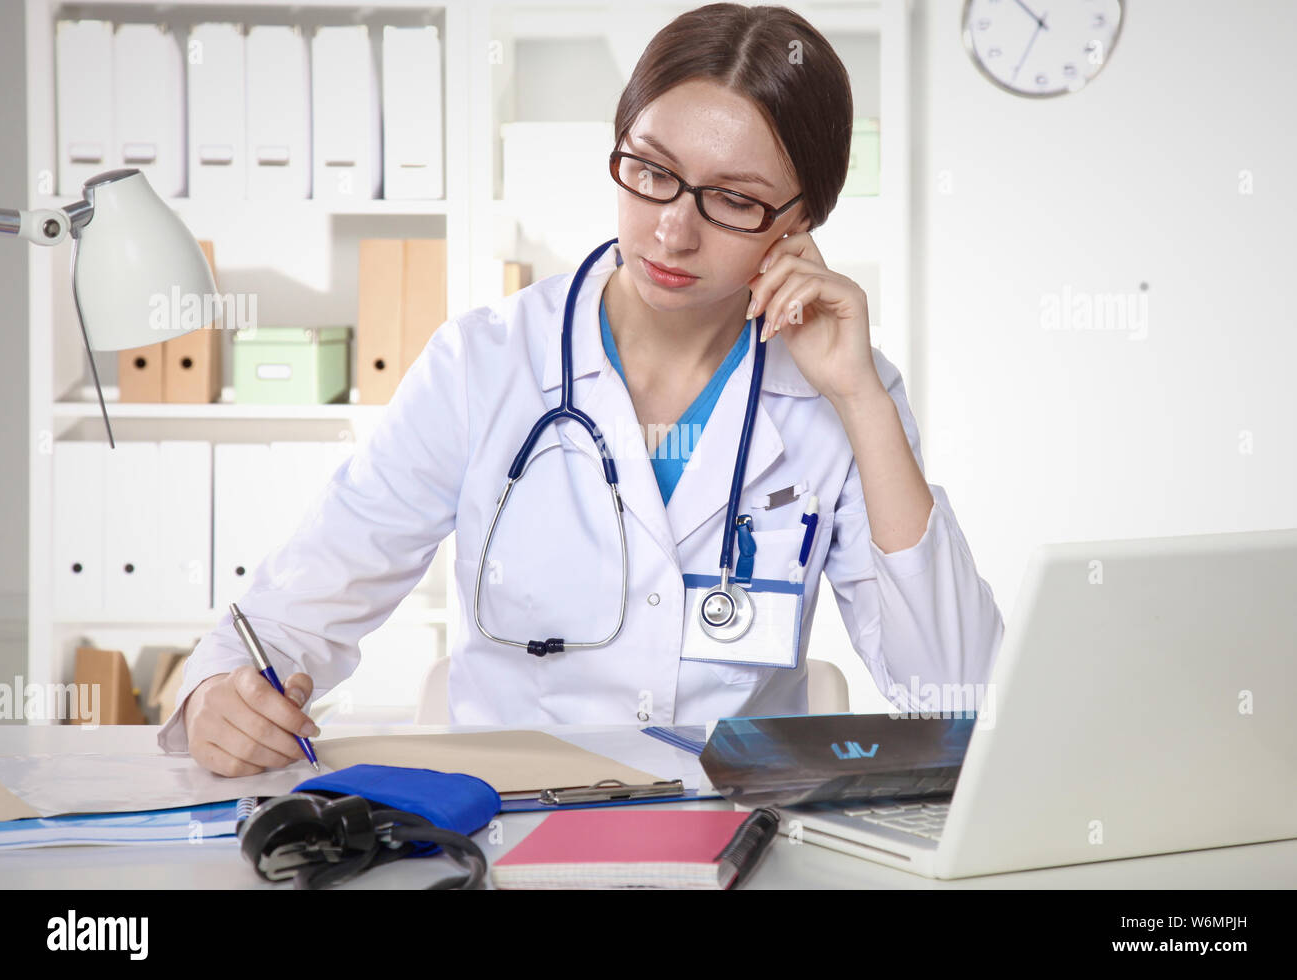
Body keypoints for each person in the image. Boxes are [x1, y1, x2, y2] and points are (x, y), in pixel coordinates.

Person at [161, 3, 1004, 777]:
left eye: (733, 201)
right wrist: (216, 696)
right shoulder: (482, 366)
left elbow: (958, 699)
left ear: (801, 223)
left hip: (734, 834)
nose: (673, 227)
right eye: (651, 171)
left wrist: (860, 399)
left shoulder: (842, 391)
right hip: (511, 830)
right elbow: (292, 613)